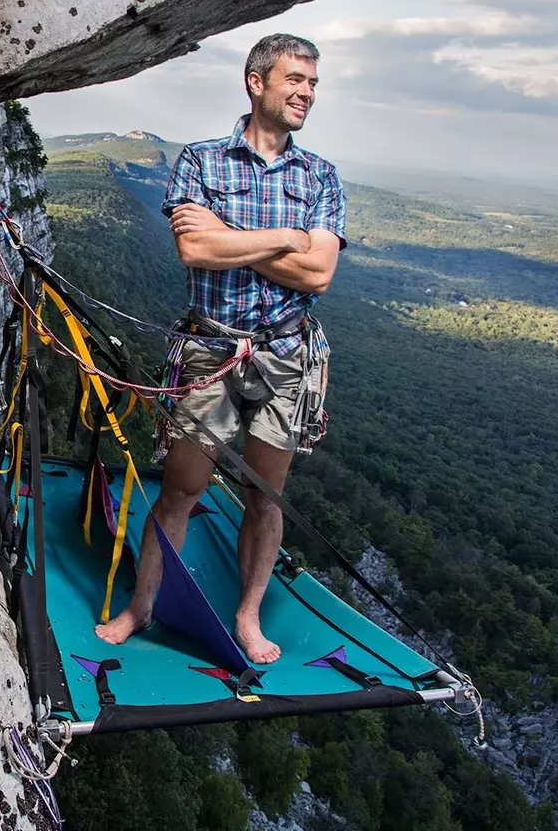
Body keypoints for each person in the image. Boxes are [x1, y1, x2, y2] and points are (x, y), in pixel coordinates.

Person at [94, 33, 346, 664]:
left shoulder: (321, 175)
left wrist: (234, 236)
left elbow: (319, 276)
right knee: (182, 488)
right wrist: (286, 237)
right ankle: (141, 606)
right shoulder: (201, 161)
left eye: (313, 83)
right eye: (295, 80)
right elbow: (194, 250)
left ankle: (247, 615)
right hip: (210, 349)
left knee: (267, 494)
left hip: (287, 356)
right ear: (256, 82)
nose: (306, 94)